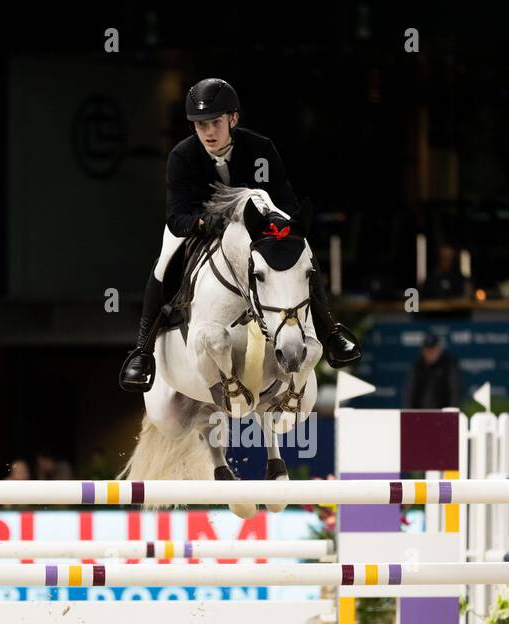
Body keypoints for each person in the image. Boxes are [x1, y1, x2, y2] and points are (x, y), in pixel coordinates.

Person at [119, 78, 361, 392]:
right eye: (200, 124)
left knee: (304, 252)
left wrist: (281, 225)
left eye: (215, 122)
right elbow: (177, 215)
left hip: (258, 227)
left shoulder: (261, 148)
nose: (208, 132)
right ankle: (143, 350)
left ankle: (330, 332)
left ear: (233, 119)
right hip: (201, 227)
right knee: (164, 262)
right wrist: (206, 224)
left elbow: (284, 198)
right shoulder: (182, 156)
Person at [405, 333, 462, 409]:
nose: (430, 353)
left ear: (439, 349)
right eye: (427, 350)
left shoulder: (449, 366)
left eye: (433, 349)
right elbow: (409, 395)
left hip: (444, 415)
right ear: (422, 351)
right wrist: (409, 416)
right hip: (420, 415)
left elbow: (455, 394)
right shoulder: (417, 368)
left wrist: (452, 416)